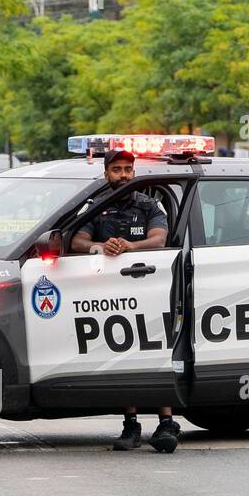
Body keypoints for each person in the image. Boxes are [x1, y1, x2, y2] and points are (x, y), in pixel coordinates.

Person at [71, 147, 181, 453]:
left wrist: (130, 247)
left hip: (151, 289)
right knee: (125, 355)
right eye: (117, 169)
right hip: (113, 296)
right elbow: (77, 240)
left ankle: (166, 424)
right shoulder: (95, 206)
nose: (124, 175)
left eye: (128, 170)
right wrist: (100, 247)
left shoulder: (149, 205)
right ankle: (131, 425)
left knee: (157, 352)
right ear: (106, 173)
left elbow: (159, 239)